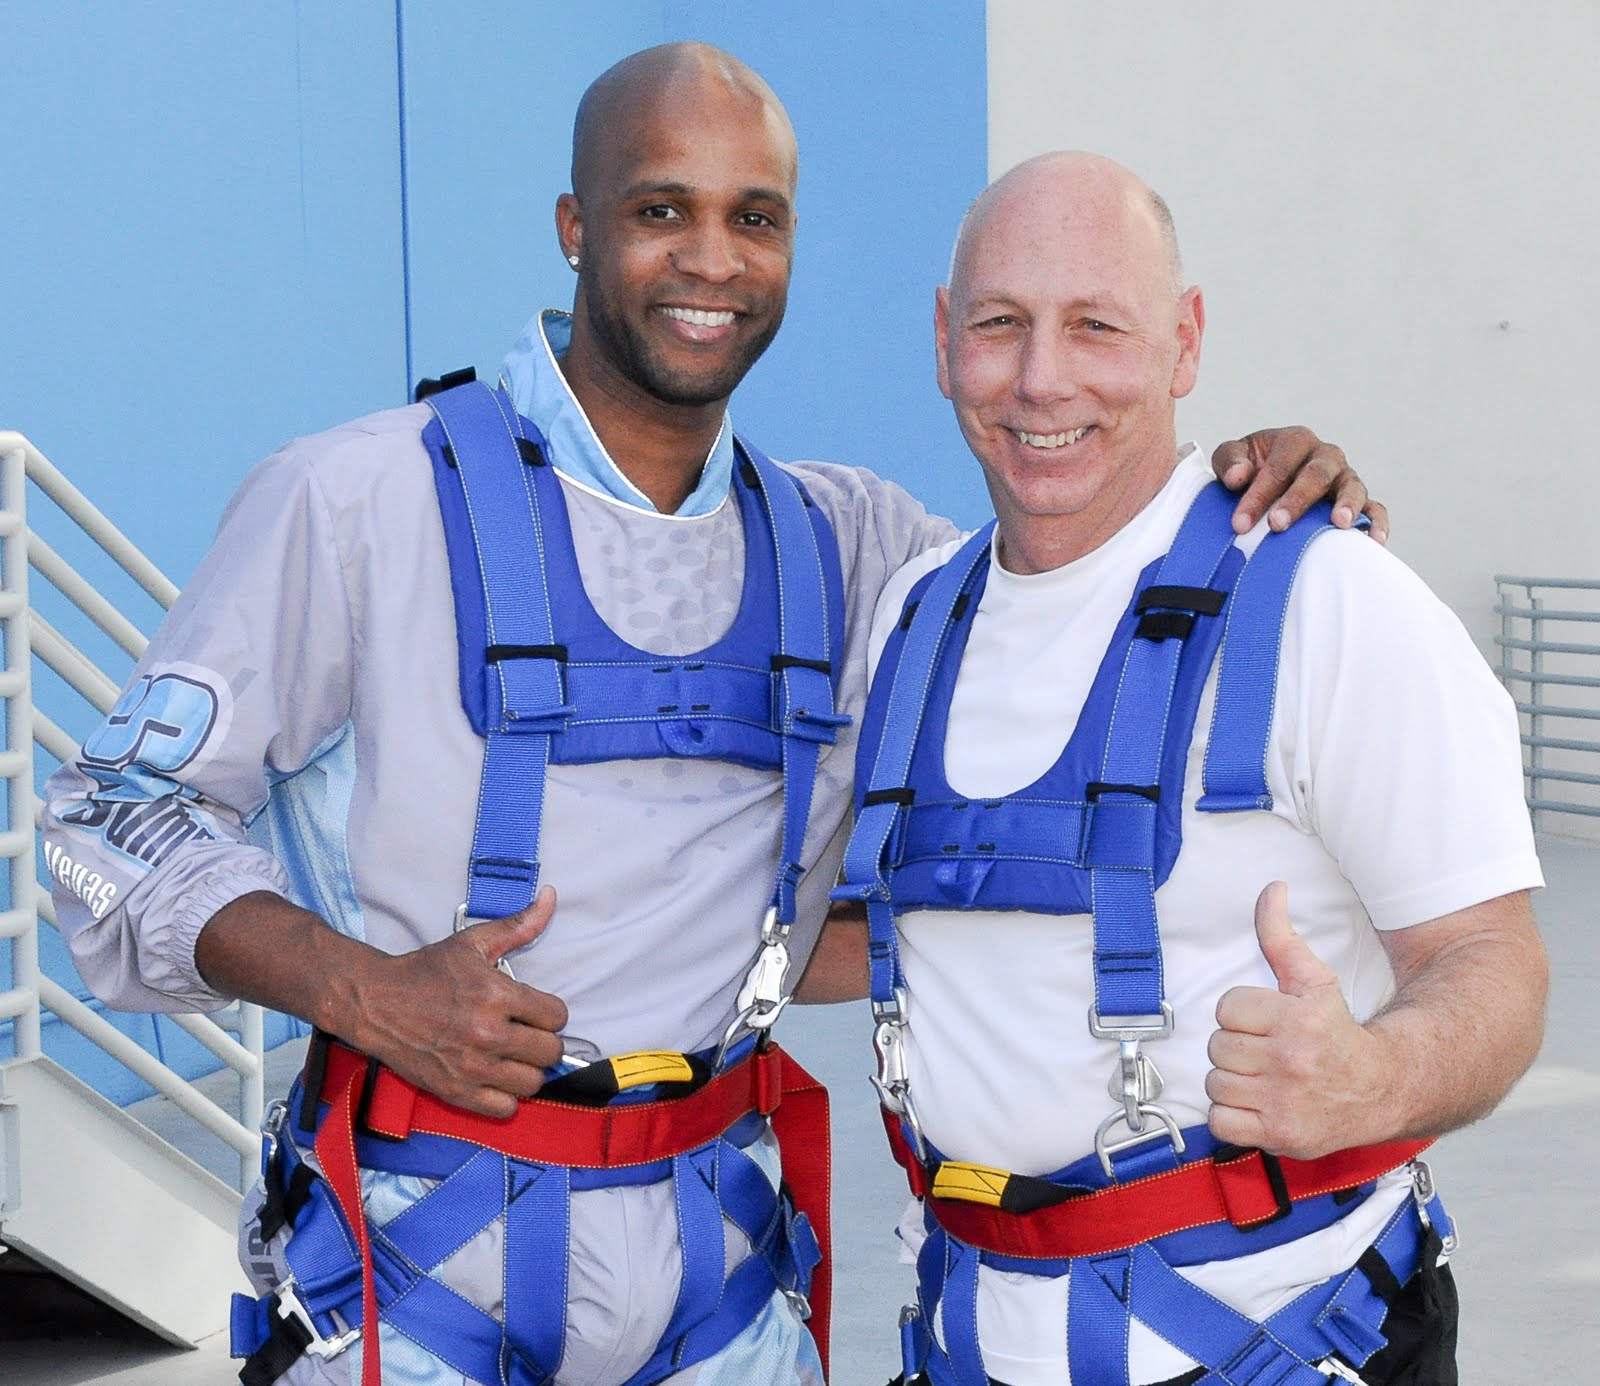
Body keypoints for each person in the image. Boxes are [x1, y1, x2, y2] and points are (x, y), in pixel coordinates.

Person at [43, 44, 1373, 1386]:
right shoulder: (357, 505)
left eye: (755, 218)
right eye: (659, 209)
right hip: (411, 1282)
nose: (712, 260)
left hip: (722, 1296)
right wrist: (365, 989)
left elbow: (1078, 606)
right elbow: (95, 825)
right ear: (575, 227)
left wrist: (1247, 503)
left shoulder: (851, 551)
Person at [824, 151, 1548, 1386]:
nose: (1041, 378)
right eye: (1000, 324)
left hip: (1287, 1346)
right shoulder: (912, 616)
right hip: (964, 1341)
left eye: (1096, 326)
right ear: (945, 340)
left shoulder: (1327, 601)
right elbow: (893, 928)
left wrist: (1372, 1075)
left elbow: (1495, 967)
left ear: (1183, 341)